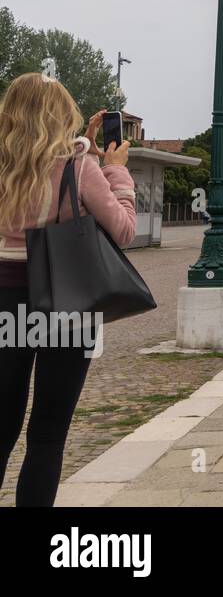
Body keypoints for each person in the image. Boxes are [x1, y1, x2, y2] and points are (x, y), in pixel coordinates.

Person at [0, 75, 136, 507]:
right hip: (67, 305)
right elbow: (124, 230)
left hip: (4, 304)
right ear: (62, 116)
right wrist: (116, 170)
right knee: (48, 434)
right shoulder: (79, 168)